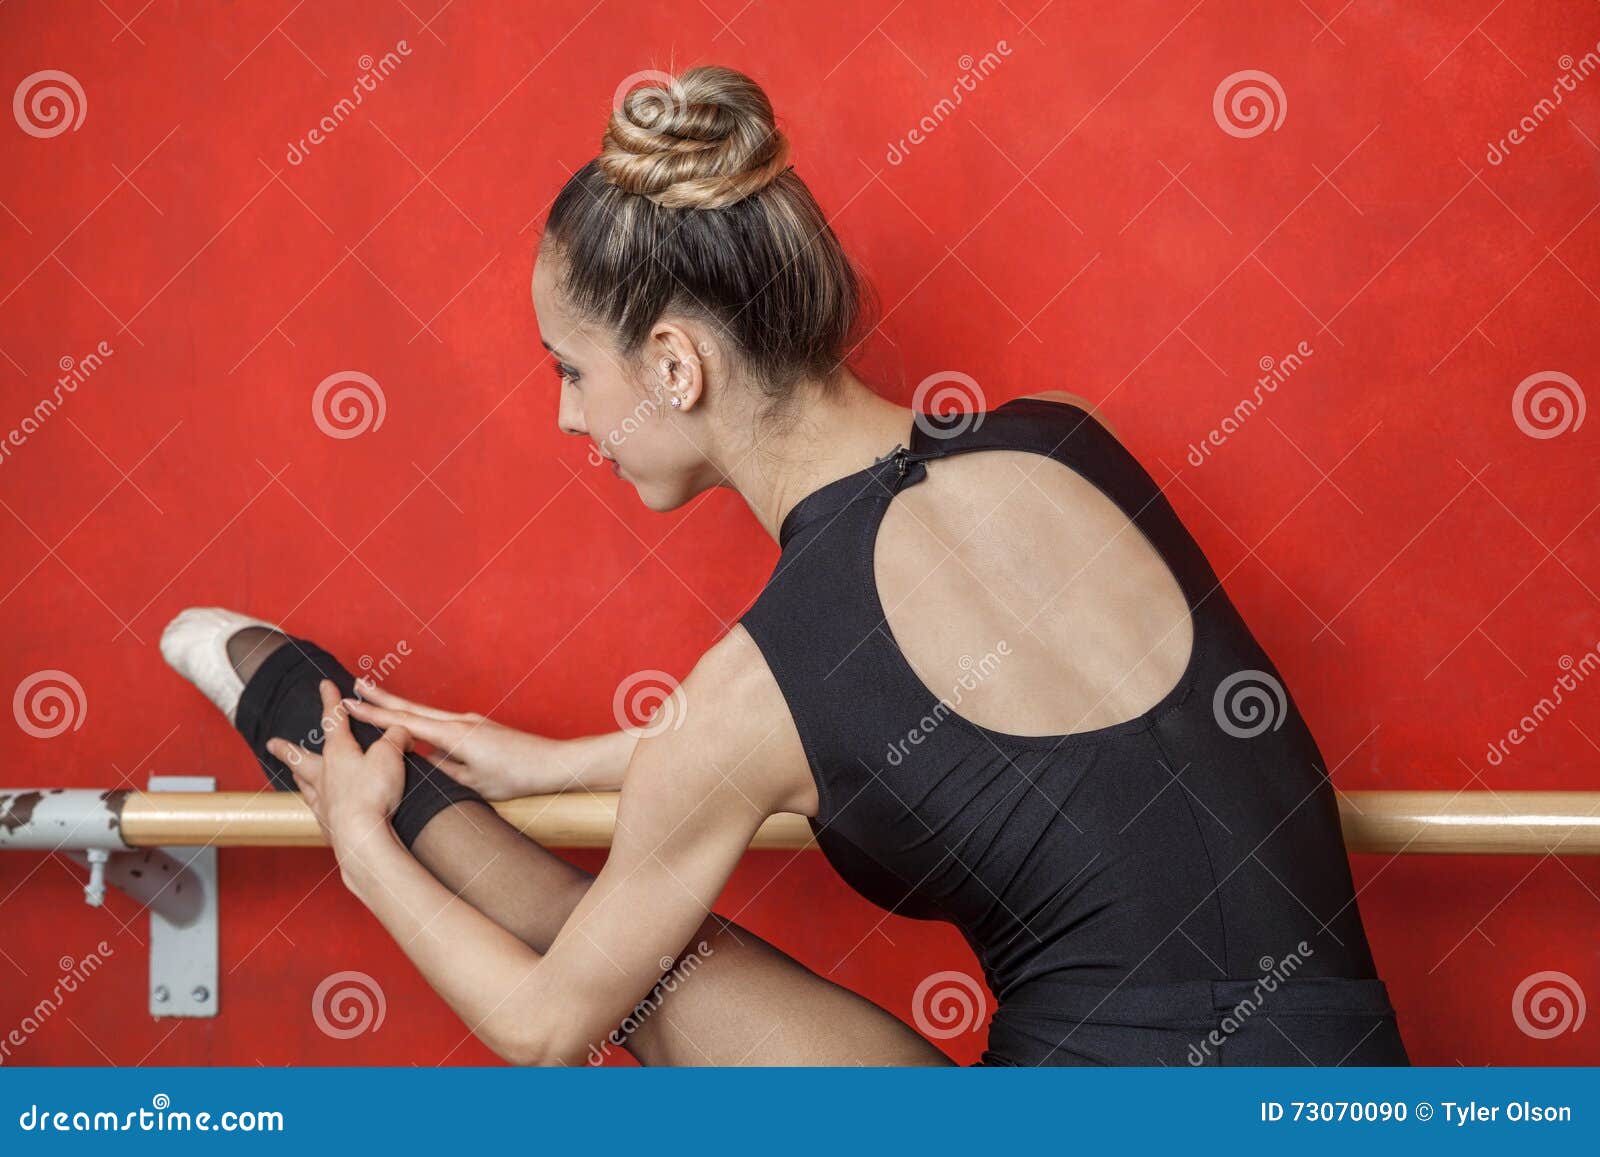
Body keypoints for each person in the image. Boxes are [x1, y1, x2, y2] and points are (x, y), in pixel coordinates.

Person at [161, 64, 1408, 1067]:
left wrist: (361, 847)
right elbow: (1010, 738)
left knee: (635, 965)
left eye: (568, 370)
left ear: (673, 364)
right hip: (1364, 1085)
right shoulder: (1067, 440)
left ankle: (328, 746)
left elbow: (542, 1026)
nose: (566, 419)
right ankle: (333, 727)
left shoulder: (759, 687)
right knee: (636, 939)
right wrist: (582, 760)